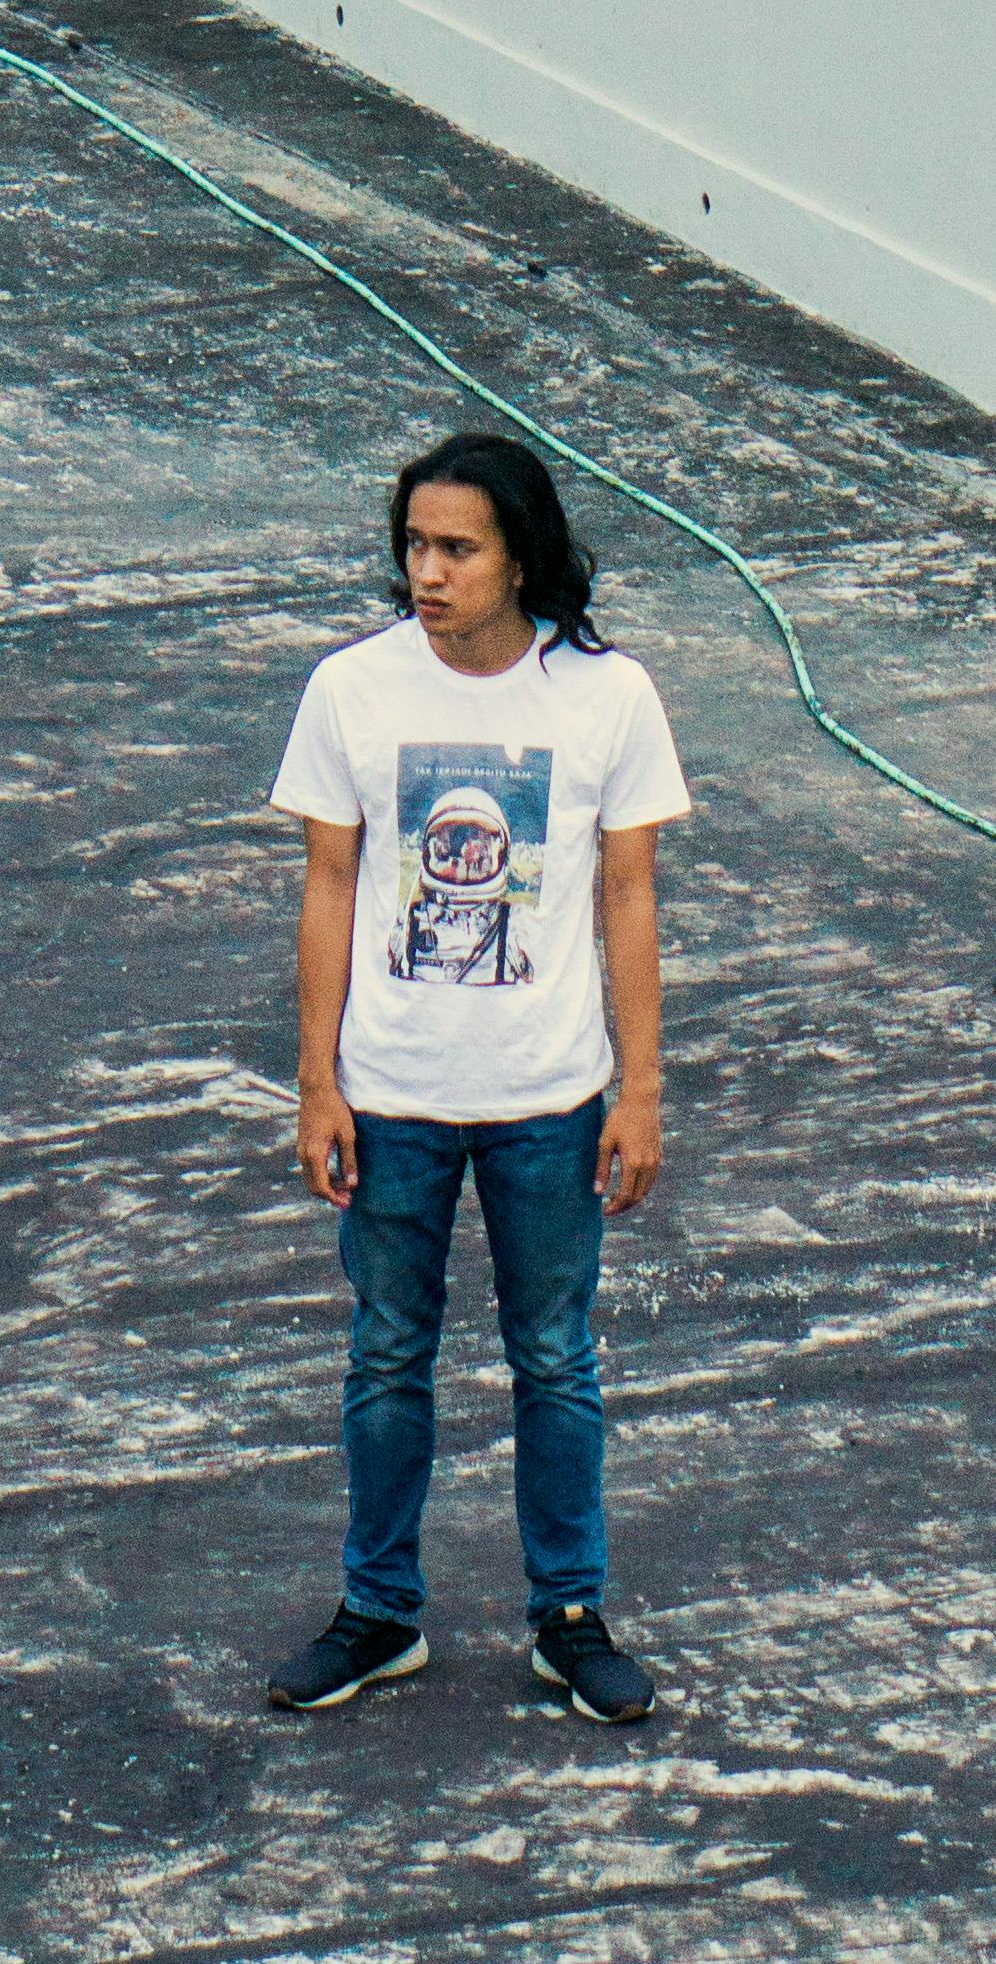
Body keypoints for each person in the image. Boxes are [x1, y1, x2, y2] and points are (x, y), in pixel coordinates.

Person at [263, 428, 688, 1727]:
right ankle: (378, 1613)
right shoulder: (352, 689)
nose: (429, 573)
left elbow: (628, 897)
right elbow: (328, 886)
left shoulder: (608, 698)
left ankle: (570, 1619)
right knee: (386, 1357)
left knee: (555, 1359)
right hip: (391, 1097)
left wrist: (639, 1091)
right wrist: (317, 1083)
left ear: (521, 557)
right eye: (415, 546)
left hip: (549, 1102)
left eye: (458, 548)